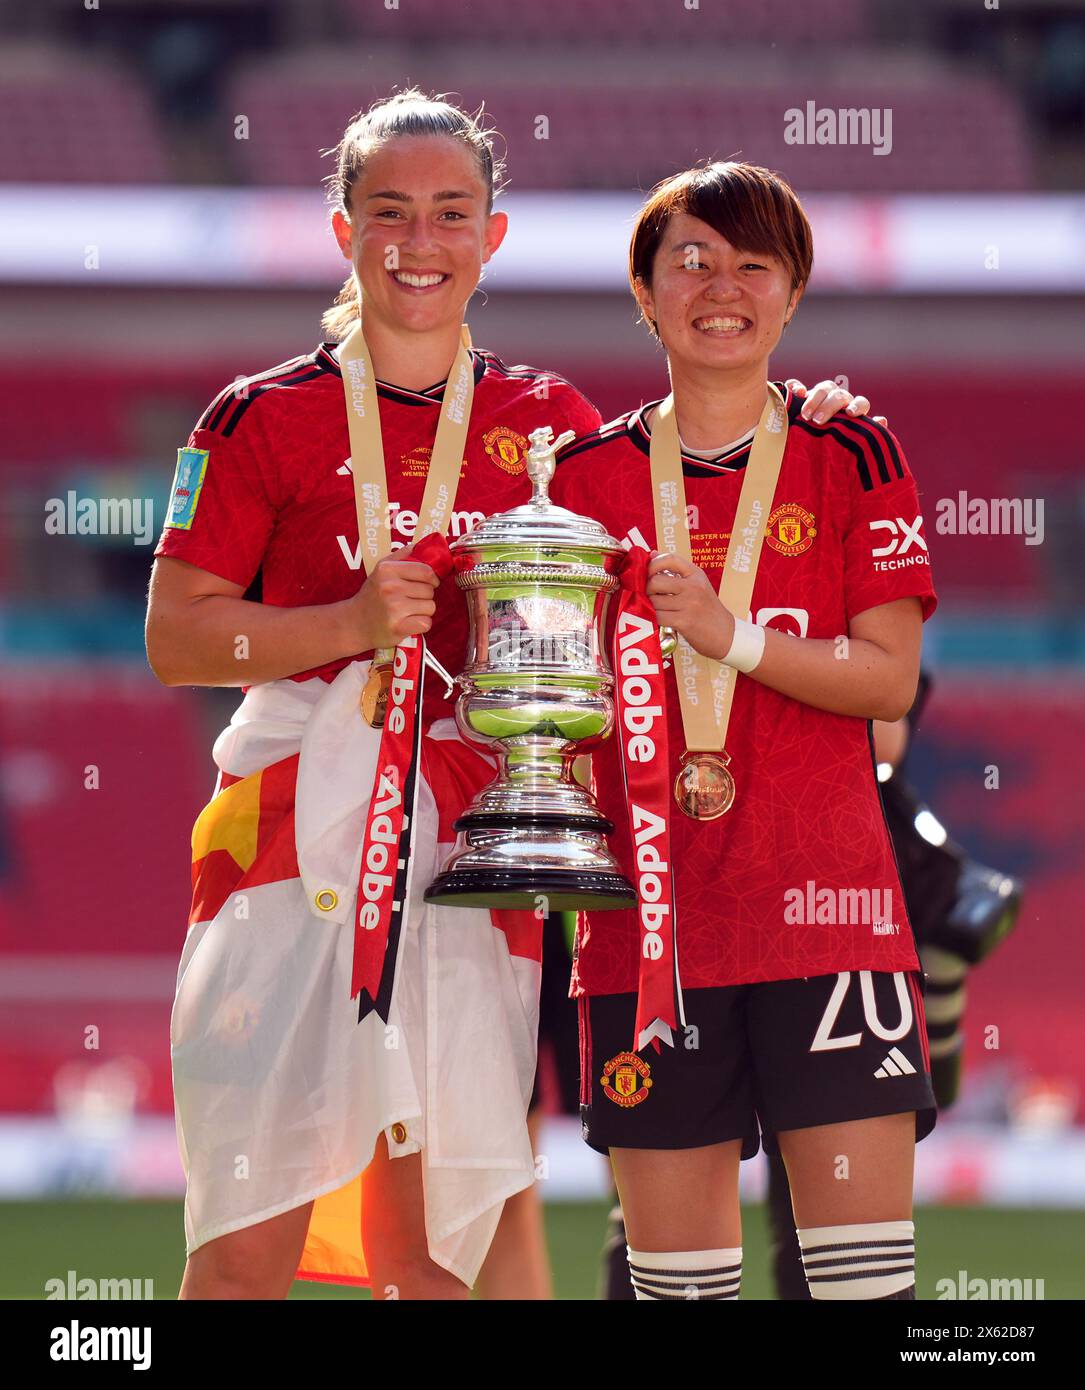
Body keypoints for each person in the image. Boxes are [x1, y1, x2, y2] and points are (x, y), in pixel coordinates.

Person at [146, 88, 880, 1301]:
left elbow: (689, 508)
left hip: (481, 853)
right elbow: (177, 638)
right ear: (343, 232)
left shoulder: (555, 426)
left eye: (450, 213)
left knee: (446, 1237)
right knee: (245, 1235)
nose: (418, 242)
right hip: (287, 846)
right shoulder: (254, 418)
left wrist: (807, 424)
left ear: (492, 236)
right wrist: (349, 623)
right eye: (388, 212)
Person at [550, 160, 938, 1301]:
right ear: (643, 290)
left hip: (828, 919)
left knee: (863, 1293)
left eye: (752, 265)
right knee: (680, 1293)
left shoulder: (852, 451)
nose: (722, 286)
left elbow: (886, 683)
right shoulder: (578, 483)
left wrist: (727, 637)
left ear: (793, 294)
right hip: (648, 928)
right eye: (691, 261)